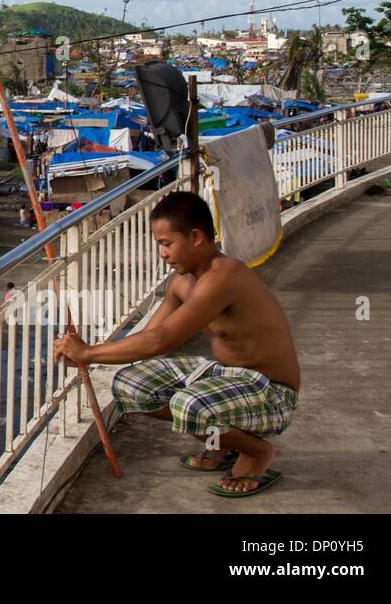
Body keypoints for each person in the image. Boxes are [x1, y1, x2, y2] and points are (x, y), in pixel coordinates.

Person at [53, 191, 300, 499]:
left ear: (196, 237)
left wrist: (88, 353)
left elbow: (161, 341)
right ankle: (224, 443)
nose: (163, 254)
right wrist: (86, 352)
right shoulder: (182, 283)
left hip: (272, 394)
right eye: (160, 245)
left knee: (190, 406)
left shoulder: (225, 275)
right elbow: (148, 337)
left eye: (167, 244)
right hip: (227, 378)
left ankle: (256, 453)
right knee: (131, 385)